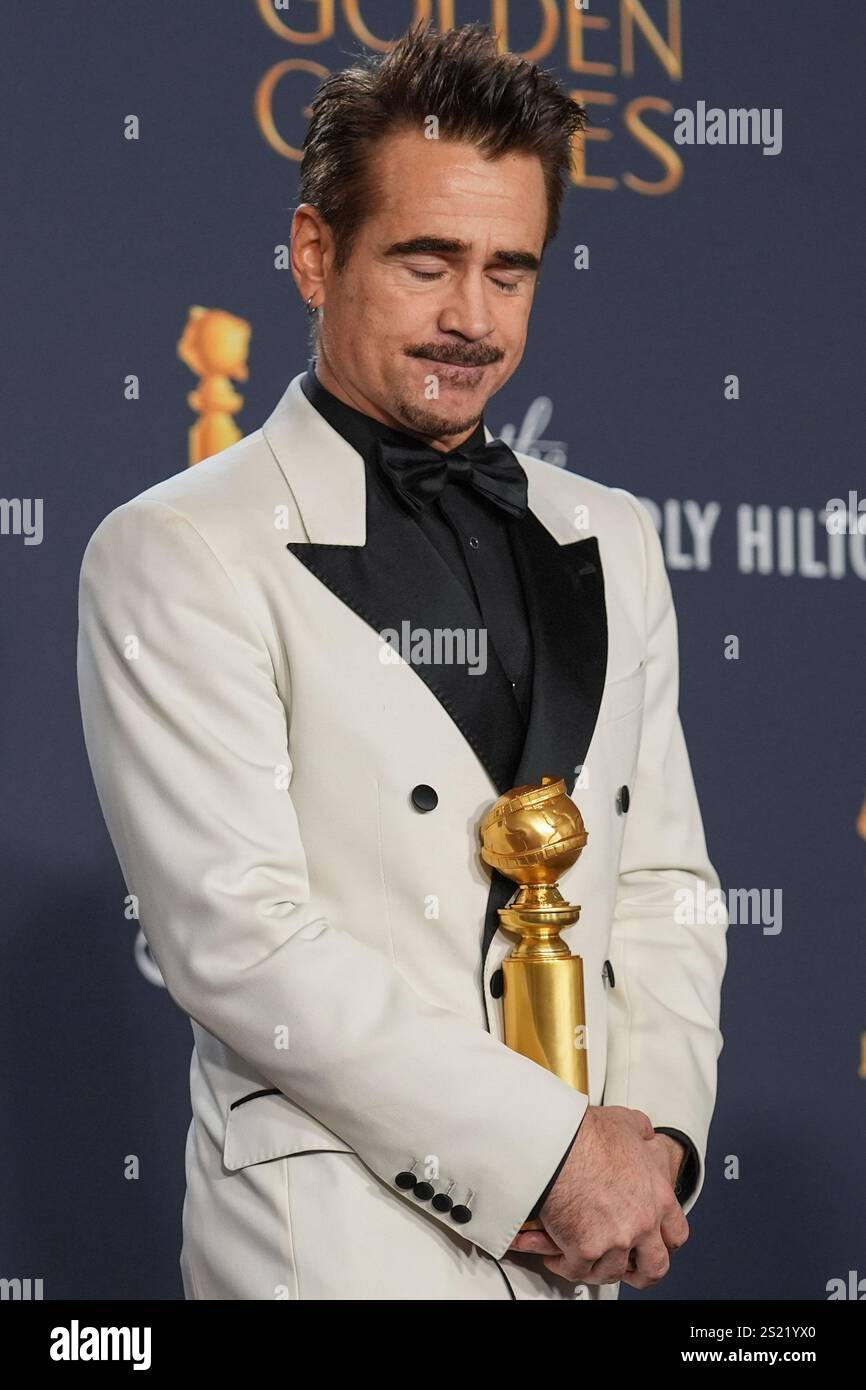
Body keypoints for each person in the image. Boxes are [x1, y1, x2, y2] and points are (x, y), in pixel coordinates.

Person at [76, 21, 728, 1301]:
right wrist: (546, 1158)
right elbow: (242, 946)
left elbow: (663, 883)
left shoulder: (613, 534)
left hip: (589, 1256)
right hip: (332, 1249)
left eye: (509, 270)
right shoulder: (178, 549)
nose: (469, 319)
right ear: (315, 254)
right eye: (425, 262)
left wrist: (646, 1144)